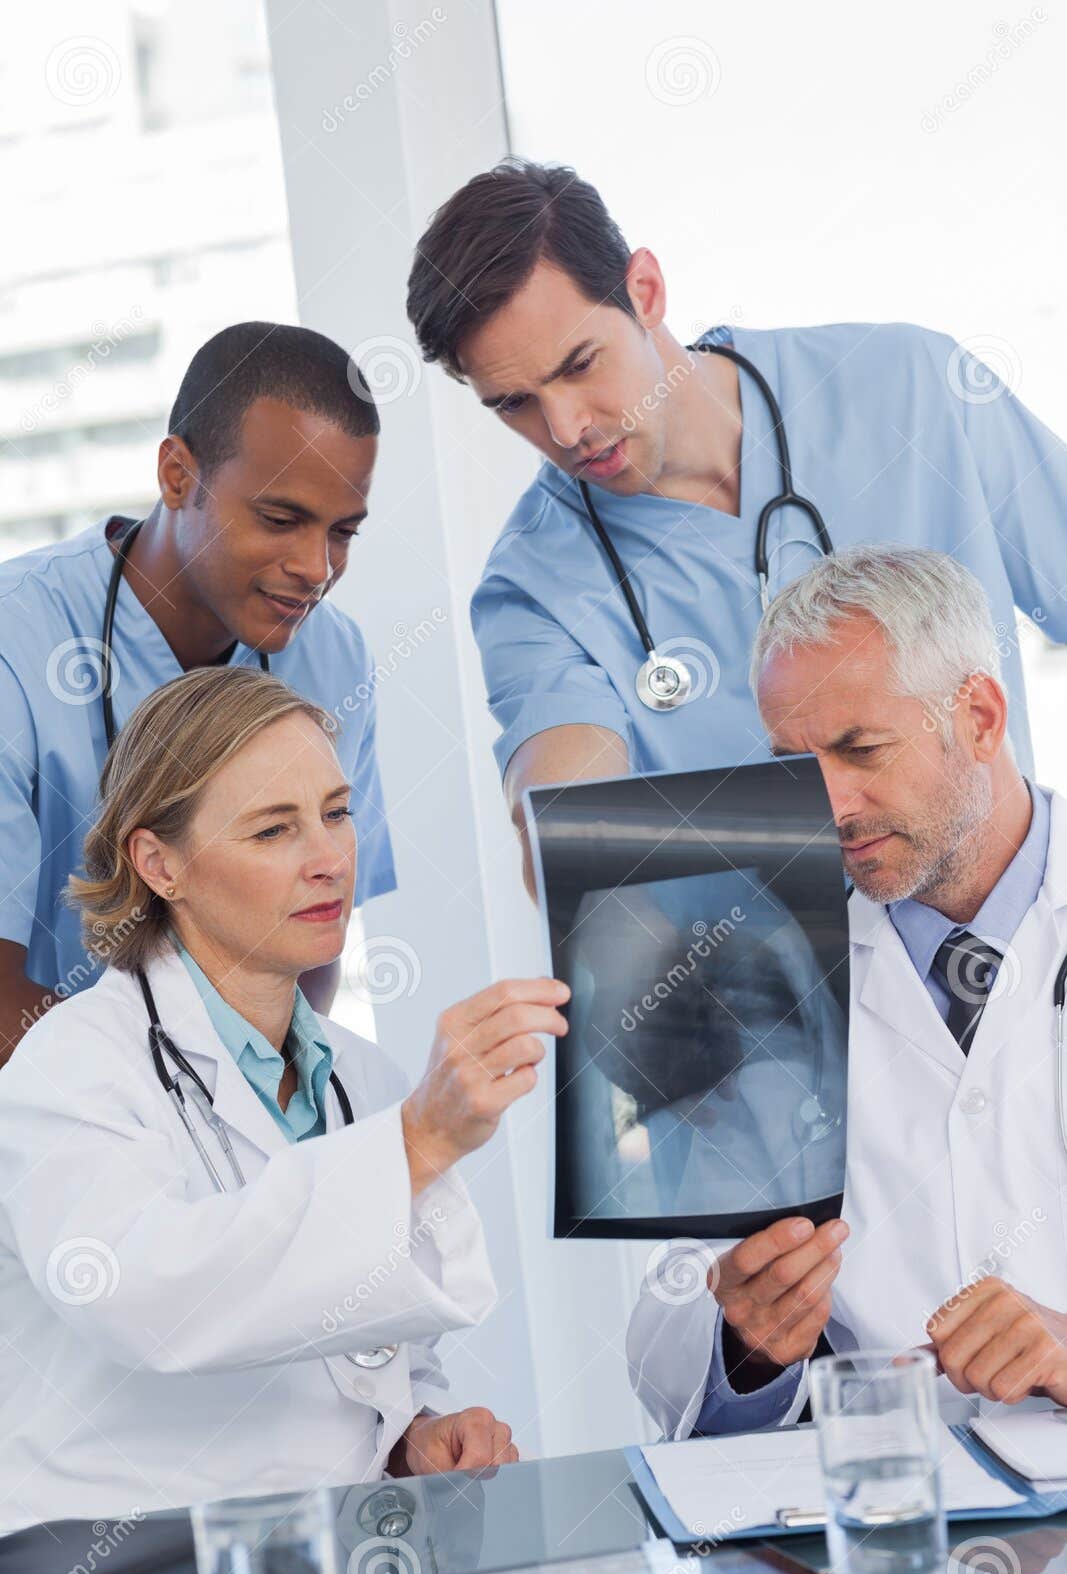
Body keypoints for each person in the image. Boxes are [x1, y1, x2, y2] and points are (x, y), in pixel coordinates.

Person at [0, 667, 570, 1530]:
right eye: (273, 831)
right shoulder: (72, 1066)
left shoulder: (361, 1076)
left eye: (336, 814)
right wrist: (416, 1143)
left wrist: (409, 1434)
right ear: (159, 864)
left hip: (319, 1561)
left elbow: (372, 1354)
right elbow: (143, 1301)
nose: (329, 860)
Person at [407, 160, 1067, 888]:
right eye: (512, 403)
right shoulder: (533, 586)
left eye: (579, 364)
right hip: (777, 997)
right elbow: (569, 840)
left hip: (1015, 956)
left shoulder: (911, 388)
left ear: (645, 291)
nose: (564, 428)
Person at [626, 545, 1067, 1436]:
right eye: (793, 762)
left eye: (859, 749)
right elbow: (676, 1300)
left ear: (978, 717)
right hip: (880, 1516)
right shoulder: (736, 973)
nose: (825, 805)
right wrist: (745, 1343)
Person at [0, 321, 396, 1058]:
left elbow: (309, 945)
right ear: (178, 475)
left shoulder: (333, 658)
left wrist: (266, 1113)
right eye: (281, 520)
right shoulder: (15, 642)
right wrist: (163, 1116)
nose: (316, 568)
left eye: (343, 532)